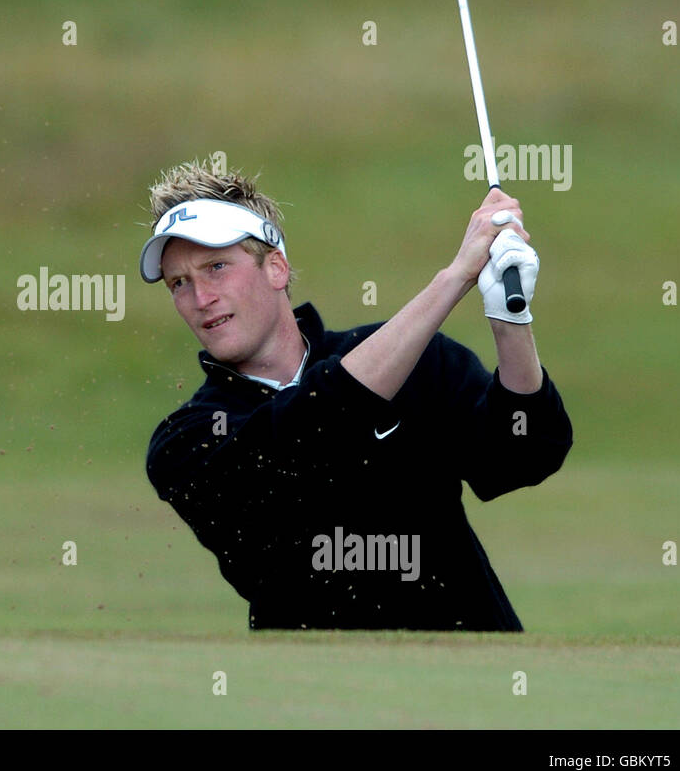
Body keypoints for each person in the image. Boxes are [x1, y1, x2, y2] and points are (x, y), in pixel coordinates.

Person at [140, 160, 572, 631]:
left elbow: (524, 455)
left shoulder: (418, 360)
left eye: (216, 268)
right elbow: (309, 431)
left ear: (276, 269)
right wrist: (453, 279)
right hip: (320, 696)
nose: (200, 298)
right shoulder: (187, 441)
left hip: (474, 676)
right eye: (179, 283)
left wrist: (511, 322)